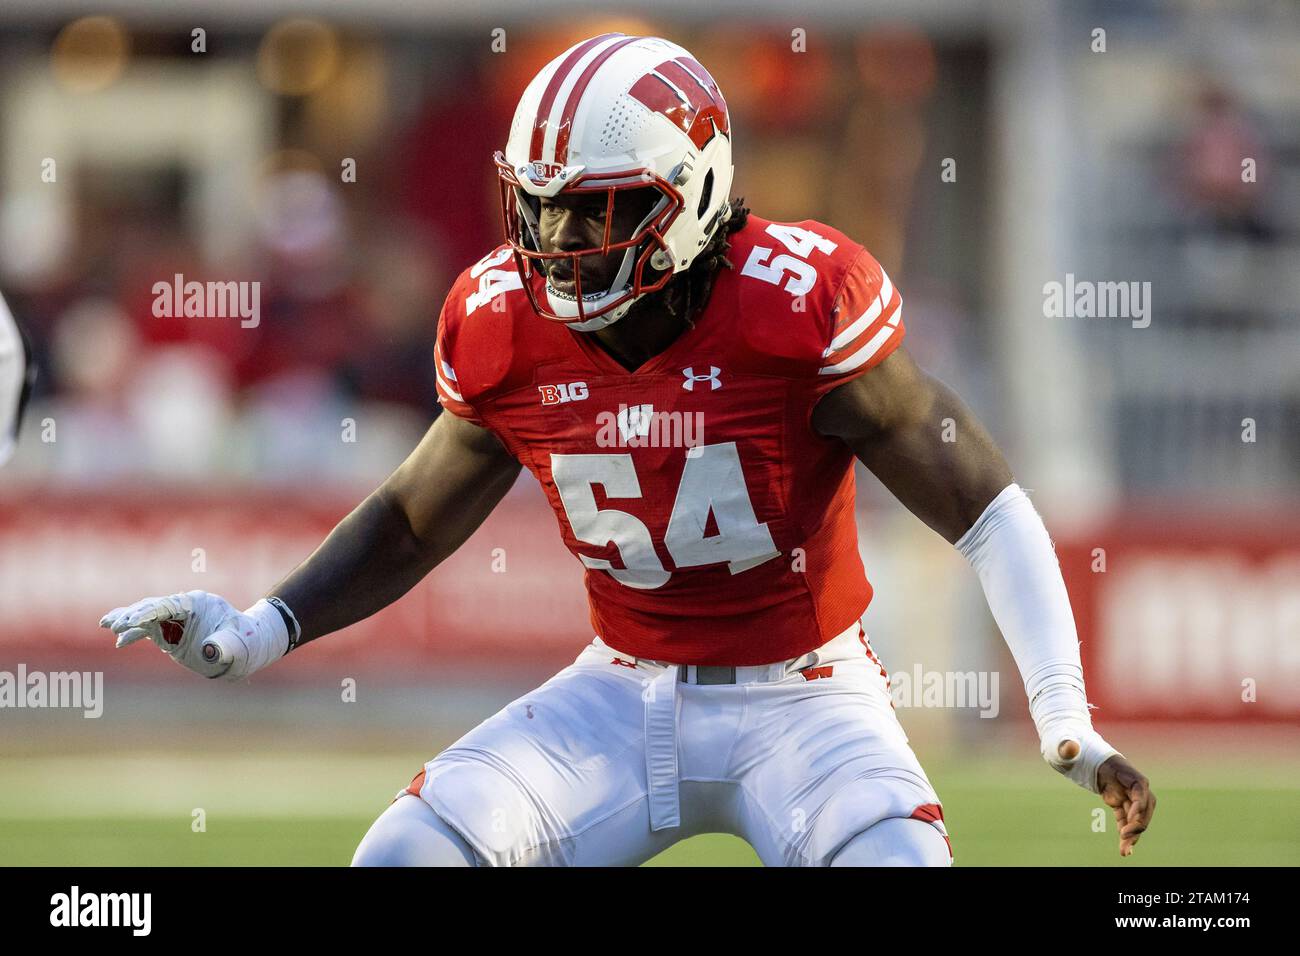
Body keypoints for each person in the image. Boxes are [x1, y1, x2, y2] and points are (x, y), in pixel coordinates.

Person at [101, 34, 1155, 866]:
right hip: (616, 687)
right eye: (542, 207)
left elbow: (983, 503)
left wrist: (1063, 714)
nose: (560, 242)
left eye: (595, 210)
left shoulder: (797, 301)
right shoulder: (499, 317)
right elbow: (417, 511)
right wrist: (260, 629)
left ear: (691, 191)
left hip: (808, 694)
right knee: (402, 855)